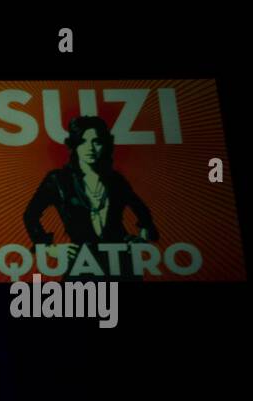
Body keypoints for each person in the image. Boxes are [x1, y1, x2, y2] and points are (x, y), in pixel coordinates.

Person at [22, 114, 158, 280]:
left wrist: (141, 238)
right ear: (74, 145)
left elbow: (143, 213)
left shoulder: (115, 180)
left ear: (105, 145)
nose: (90, 148)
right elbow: (30, 215)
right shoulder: (58, 180)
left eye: (97, 141)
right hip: (82, 264)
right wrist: (49, 248)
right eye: (83, 141)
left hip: (120, 264)